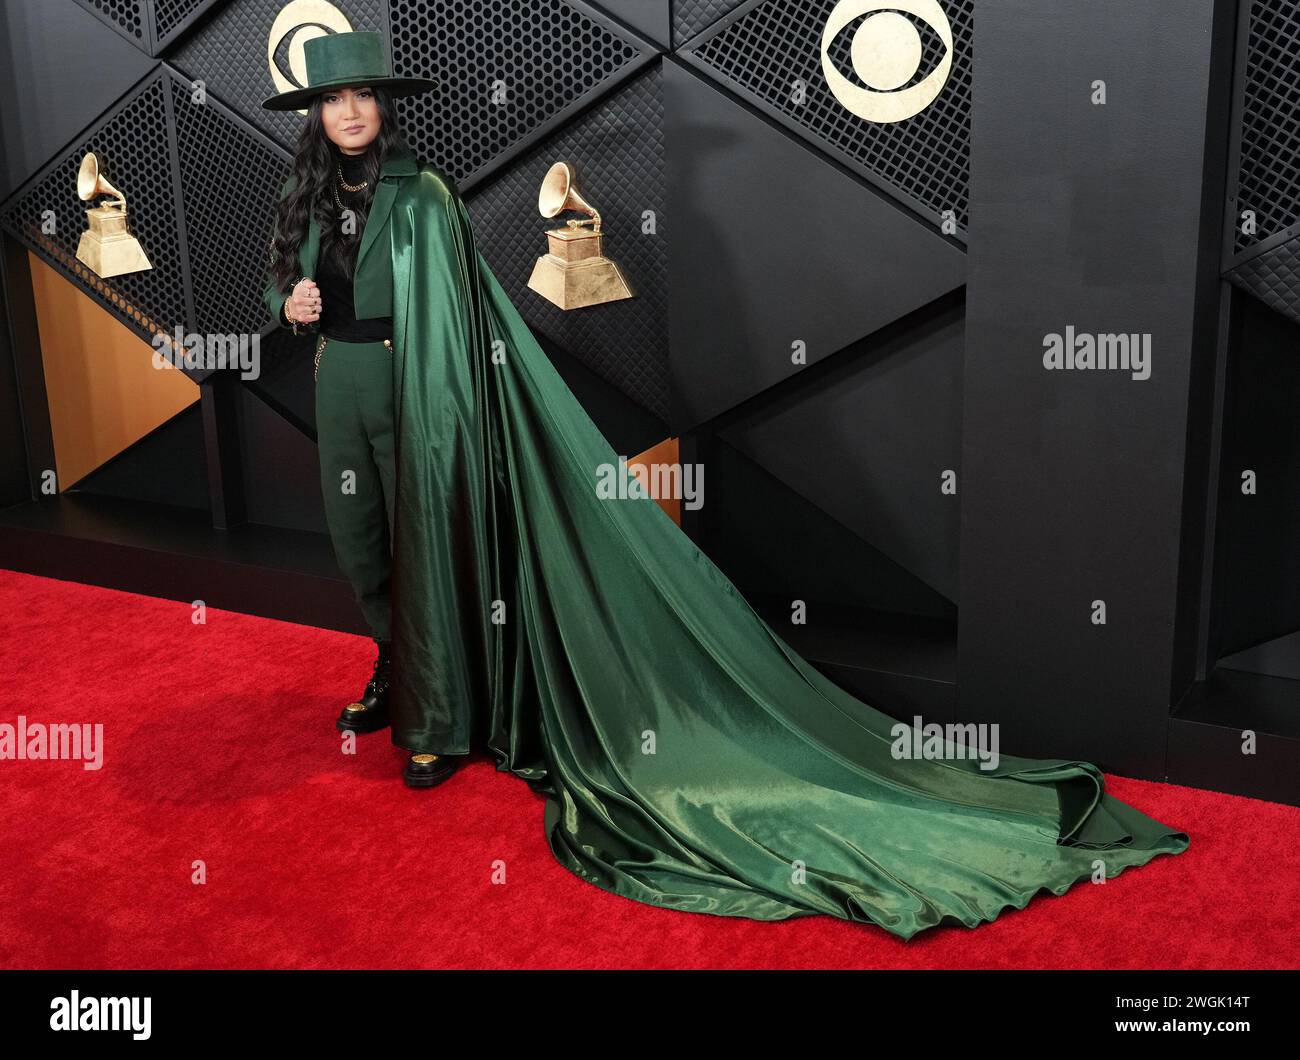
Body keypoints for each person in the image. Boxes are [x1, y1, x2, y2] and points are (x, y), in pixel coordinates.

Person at [262, 30, 1189, 939]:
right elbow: (278, 285)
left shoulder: (422, 194)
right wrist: (289, 304)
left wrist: (441, 402)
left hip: (418, 385)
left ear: (382, 105)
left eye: (359, 97)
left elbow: (455, 312)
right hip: (339, 378)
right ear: (314, 115)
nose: (347, 112)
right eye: (329, 101)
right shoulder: (304, 193)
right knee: (362, 540)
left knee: (431, 538)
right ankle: (395, 659)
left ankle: (437, 714)